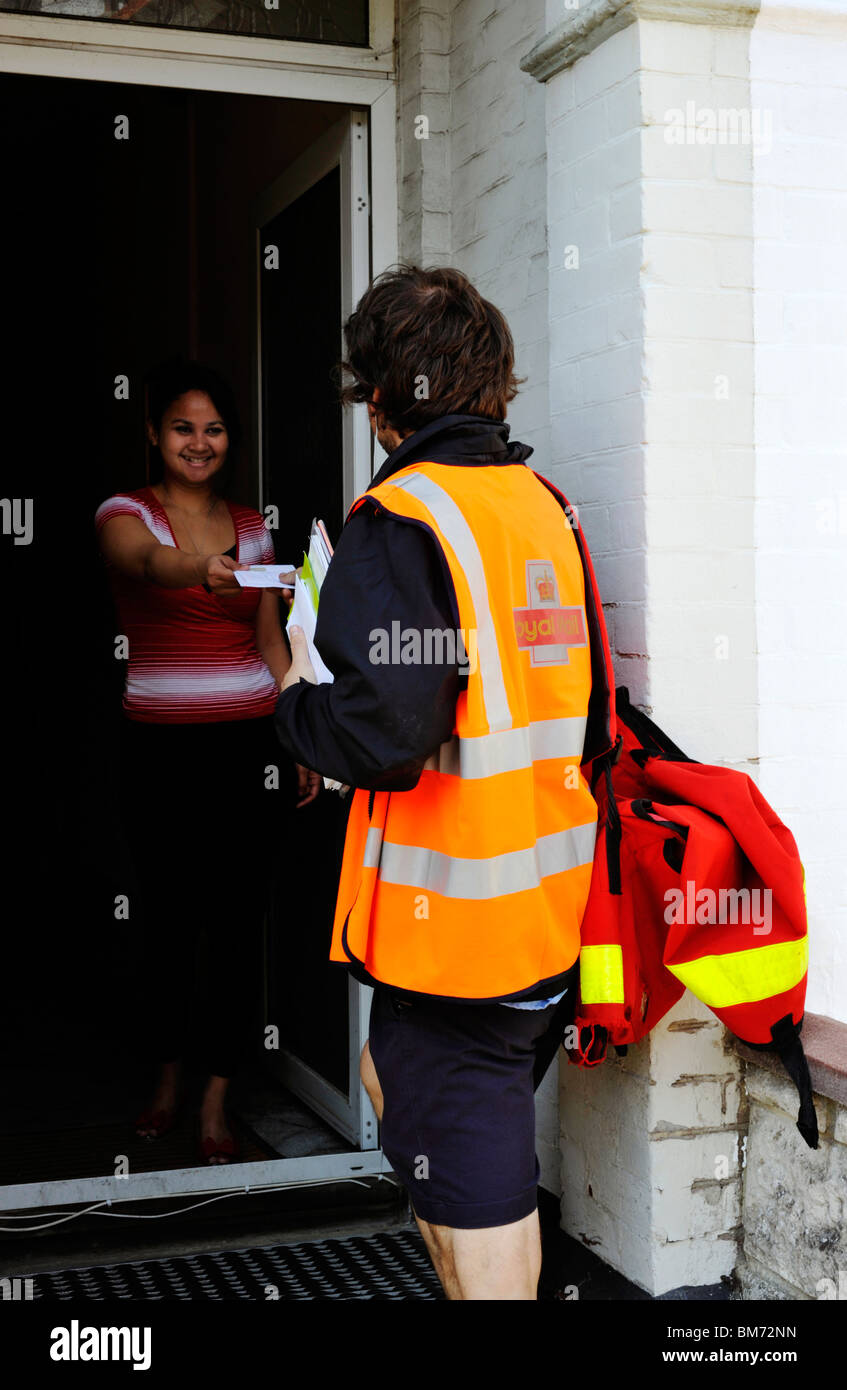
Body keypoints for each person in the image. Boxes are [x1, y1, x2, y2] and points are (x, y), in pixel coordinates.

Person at [273, 265, 615, 1298]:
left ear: (381, 396)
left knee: (479, 1199)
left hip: (458, 940)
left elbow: (385, 736)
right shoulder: (538, 505)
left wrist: (296, 693)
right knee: (403, 1090)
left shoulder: (404, 517)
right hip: (544, 920)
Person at [96, 360, 321, 1165]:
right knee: (166, 923)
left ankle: (218, 1094)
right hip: (158, 750)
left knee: (234, 925)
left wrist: (294, 735)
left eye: (214, 429)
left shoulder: (253, 524)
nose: (199, 442)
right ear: (155, 434)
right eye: (183, 427)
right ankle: (164, 1078)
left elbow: (267, 641)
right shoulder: (125, 513)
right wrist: (203, 569)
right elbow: (145, 567)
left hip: (245, 751)